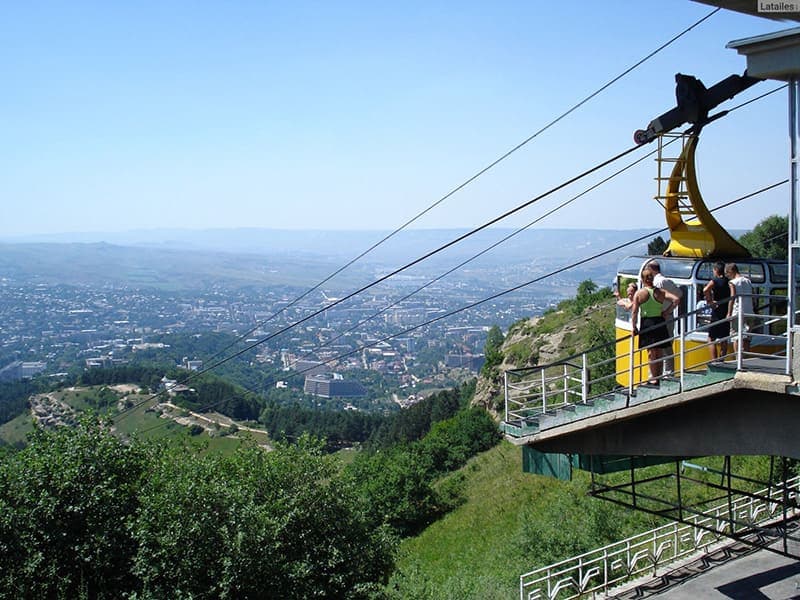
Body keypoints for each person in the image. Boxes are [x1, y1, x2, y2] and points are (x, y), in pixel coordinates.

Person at [630, 267, 681, 385]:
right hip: (660, 321)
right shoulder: (660, 292)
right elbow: (676, 299)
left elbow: (634, 311)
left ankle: (653, 377)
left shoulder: (640, 293)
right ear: (652, 279)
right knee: (658, 351)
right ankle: (658, 376)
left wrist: (634, 327)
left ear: (643, 279)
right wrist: (667, 312)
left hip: (647, 323)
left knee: (651, 353)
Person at [647, 260, 683, 375]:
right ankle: (669, 372)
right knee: (667, 346)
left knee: (657, 348)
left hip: (658, 317)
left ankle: (657, 373)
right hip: (668, 317)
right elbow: (679, 295)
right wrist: (669, 310)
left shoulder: (657, 283)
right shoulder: (668, 281)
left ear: (651, 269)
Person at [702, 260, 731, 361]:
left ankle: (714, 361)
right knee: (724, 338)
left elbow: (705, 290)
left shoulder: (715, 280)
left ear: (716, 270)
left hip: (717, 310)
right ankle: (721, 360)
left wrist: (710, 301)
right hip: (726, 310)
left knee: (711, 338)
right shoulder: (729, 281)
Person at [726, 262, 754, 355]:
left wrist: (729, 313)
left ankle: (738, 360)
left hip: (738, 312)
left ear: (731, 271)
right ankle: (746, 359)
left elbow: (732, 298)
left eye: (728, 273)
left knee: (736, 337)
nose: (727, 275)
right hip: (749, 311)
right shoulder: (747, 280)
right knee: (747, 338)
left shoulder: (733, 282)